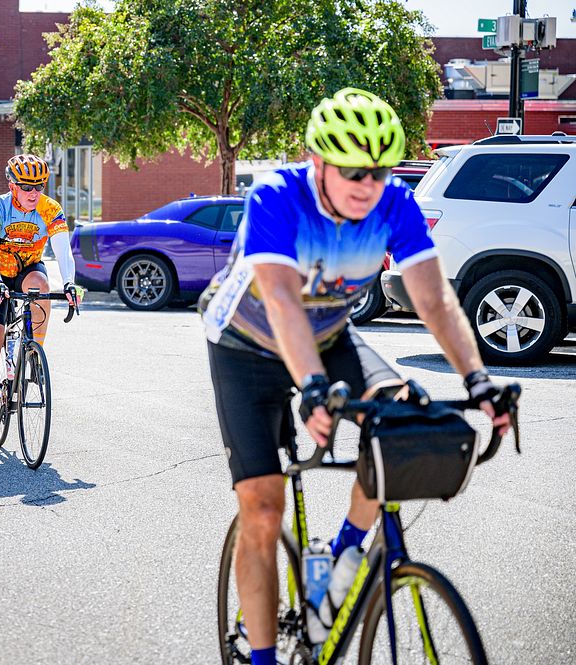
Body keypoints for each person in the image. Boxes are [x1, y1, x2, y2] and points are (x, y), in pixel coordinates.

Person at [198, 88, 510, 665]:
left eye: (380, 171)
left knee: (403, 421)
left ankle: (342, 560)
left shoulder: (395, 204)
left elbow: (434, 300)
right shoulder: (276, 198)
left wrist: (479, 380)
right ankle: (263, 656)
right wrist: (314, 388)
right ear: (317, 162)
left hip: (329, 336)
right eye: (353, 172)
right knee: (262, 507)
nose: (369, 185)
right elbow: (283, 302)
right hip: (247, 346)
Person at [0, 154, 85, 434]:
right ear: (12, 186)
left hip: (27, 267)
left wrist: (70, 283)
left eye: (39, 186)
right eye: (26, 187)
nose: (33, 193)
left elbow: (63, 250)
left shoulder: (50, 209)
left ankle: (34, 355)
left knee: (42, 287)